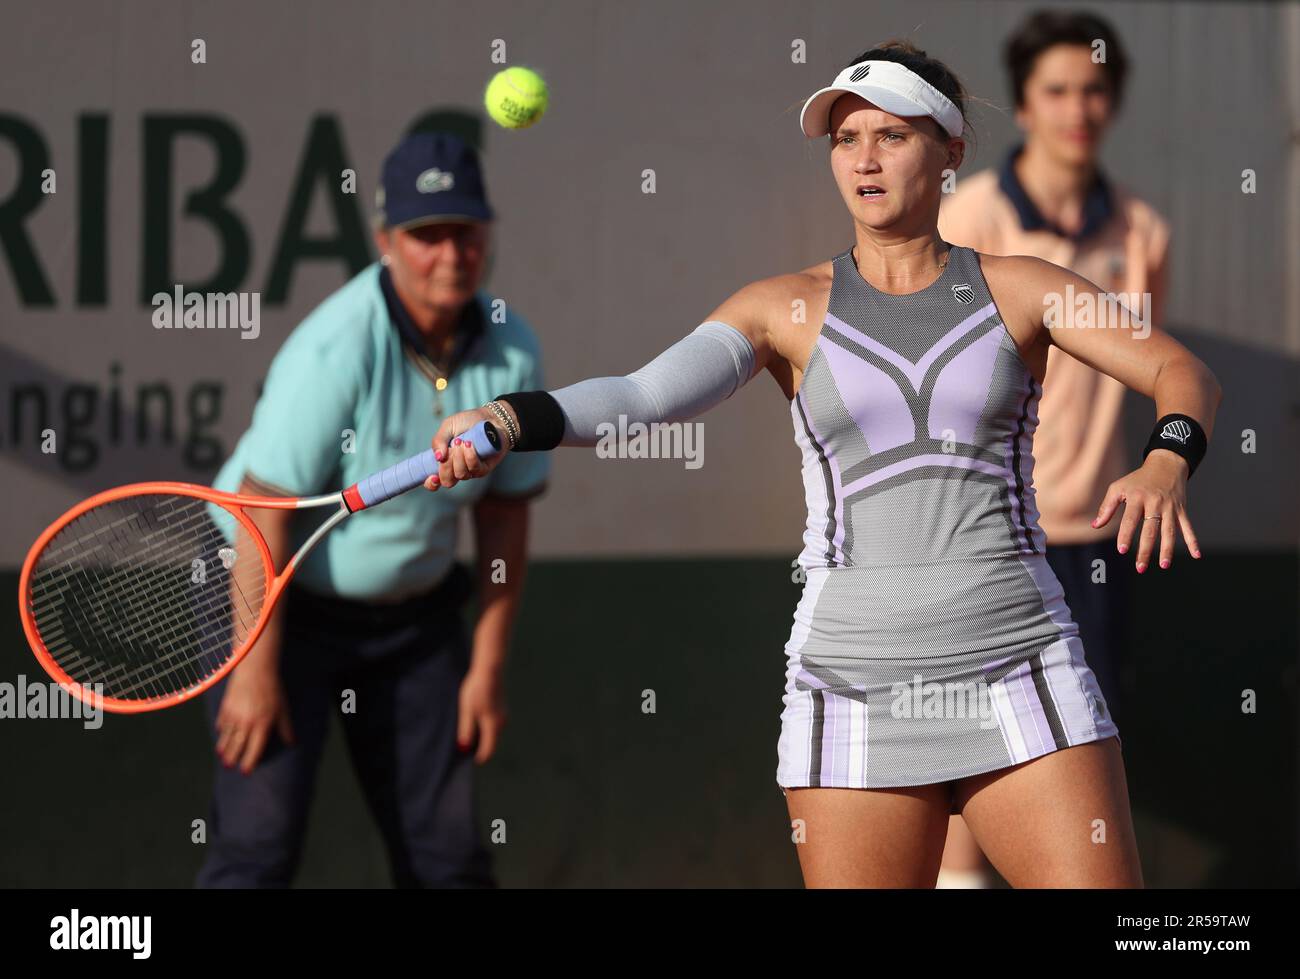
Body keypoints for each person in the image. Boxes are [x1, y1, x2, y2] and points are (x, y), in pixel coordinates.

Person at [424, 42, 1220, 887]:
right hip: (850, 682)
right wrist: (511, 417)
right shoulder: (782, 308)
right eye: (845, 139)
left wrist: (1166, 462)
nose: (865, 159)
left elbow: (1182, 373)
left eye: (891, 136)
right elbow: (643, 398)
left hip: (1021, 664)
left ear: (950, 152)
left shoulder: (1024, 287)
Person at [196, 131, 550, 888]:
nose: (450, 253)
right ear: (386, 240)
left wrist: (486, 667)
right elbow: (263, 510)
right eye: (427, 235)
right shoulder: (335, 349)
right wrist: (254, 674)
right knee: (257, 847)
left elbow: (504, 517)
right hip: (272, 607)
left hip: (414, 627)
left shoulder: (513, 351)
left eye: (465, 231)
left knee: (449, 858)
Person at [935, 8, 1169, 888]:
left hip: (1099, 544)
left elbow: (1152, 373)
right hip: (981, 538)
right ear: (1025, 107)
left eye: (1095, 89)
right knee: (966, 749)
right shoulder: (975, 215)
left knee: (1077, 757)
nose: (1080, 108)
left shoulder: (1142, 232)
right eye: (1058, 90)